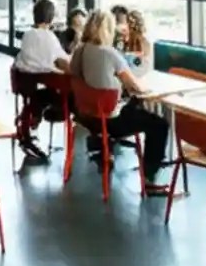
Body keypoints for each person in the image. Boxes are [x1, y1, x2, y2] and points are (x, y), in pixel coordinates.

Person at [70, 10, 171, 194]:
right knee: (159, 125)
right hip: (111, 120)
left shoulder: (80, 51)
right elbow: (134, 86)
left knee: (134, 110)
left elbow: (74, 77)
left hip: (85, 116)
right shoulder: (111, 54)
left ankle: (100, 144)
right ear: (108, 29)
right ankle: (149, 179)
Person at [12, 0, 71, 160]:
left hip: (25, 79)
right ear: (51, 17)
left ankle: (29, 123)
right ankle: (34, 123)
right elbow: (61, 59)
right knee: (58, 95)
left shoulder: (27, 35)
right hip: (44, 79)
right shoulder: (49, 37)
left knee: (38, 96)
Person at [123, 9, 155, 77]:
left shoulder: (142, 41)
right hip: (134, 74)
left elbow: (137, 65)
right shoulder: (129, 39)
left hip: (141, 76)